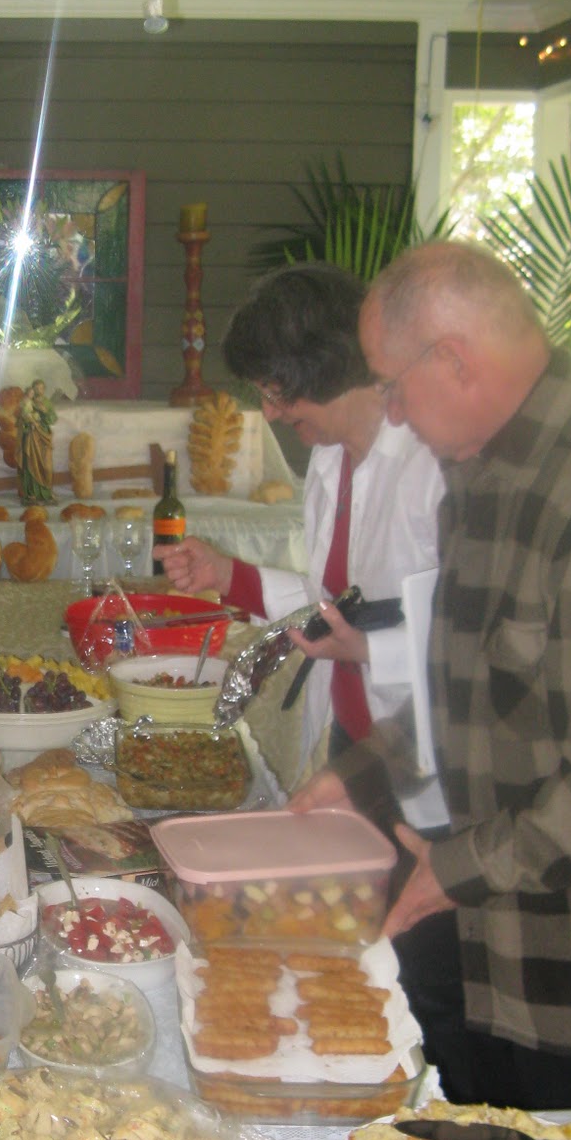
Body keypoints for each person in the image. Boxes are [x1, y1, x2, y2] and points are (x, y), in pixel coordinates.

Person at [291, 240, 571, 1110]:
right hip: (493, 956)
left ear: (452, 359)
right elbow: (469, 700)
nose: (397, 415)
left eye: (394, 385)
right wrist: (358, 775)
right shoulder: (480, 472)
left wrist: (451, 872)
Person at [160, 264, 443, 799]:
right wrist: (227, 574)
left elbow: (472, 644)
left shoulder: (427, 467)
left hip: (423, 756)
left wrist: (371, 651)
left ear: (323, 369)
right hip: (351, 743)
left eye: (275, 391)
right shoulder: (330, 457)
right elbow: (331, 603)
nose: (268, 413)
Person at [18, 378, 58, 505]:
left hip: (43, 435)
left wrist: (44, 411)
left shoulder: (47, 402)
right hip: (31, 435)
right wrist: (27, 422)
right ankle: (31, 494)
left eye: (40, 388)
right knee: (30, 463)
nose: (38, 390)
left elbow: (53, 418)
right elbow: (21, 419)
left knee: (46, 465)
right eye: (36, 388)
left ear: (44, 389)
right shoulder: (27, 401)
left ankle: (46, 492)